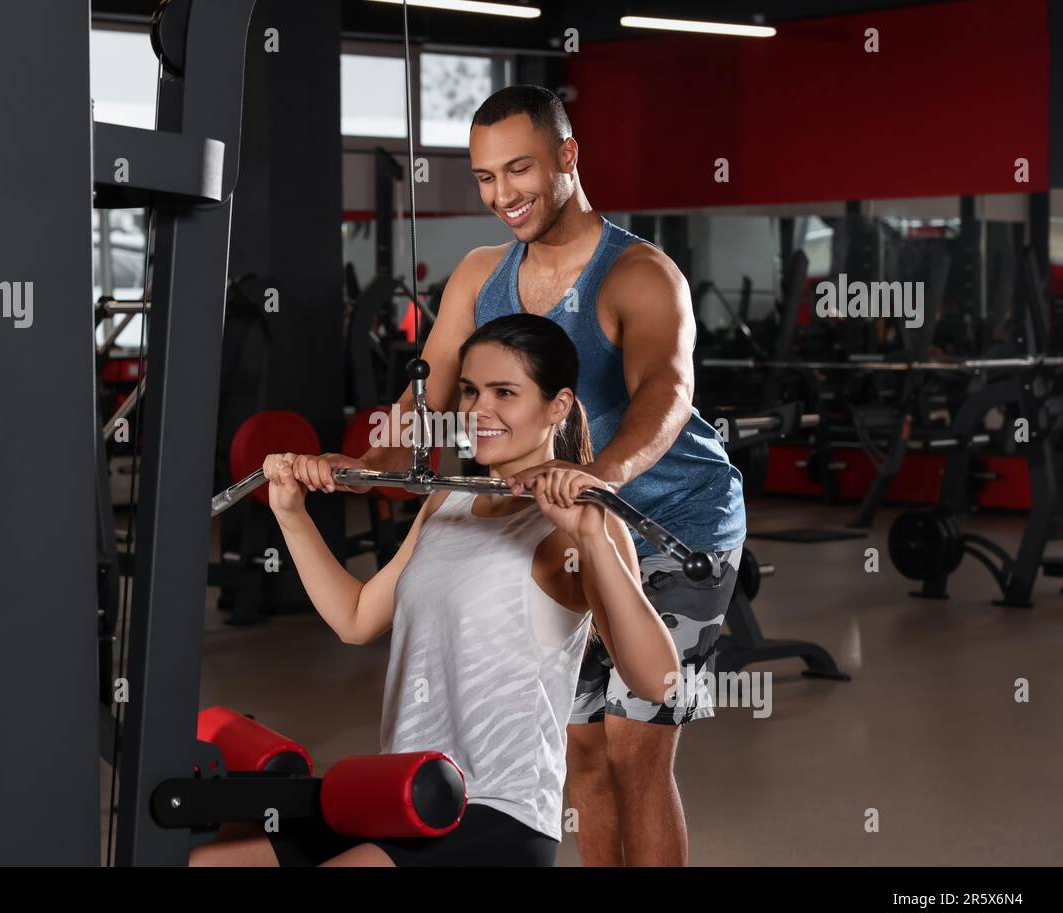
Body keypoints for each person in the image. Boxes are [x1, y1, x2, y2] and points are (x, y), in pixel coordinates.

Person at [315, 85, 746, 866]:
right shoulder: (482, 276)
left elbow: (667, 391)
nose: (502, 195)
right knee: (579, 752)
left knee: (634, 747)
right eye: (484, 178)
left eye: (519, 169)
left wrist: (595, 477)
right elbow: (426, 396)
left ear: (567, 158)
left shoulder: (640, 273)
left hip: (673, 520)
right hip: (559, 530)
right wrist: (364, 466)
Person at [189, 314, 679, 867]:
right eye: (469, 391)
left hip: (496, 813)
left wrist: (591, 536)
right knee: (209, 863)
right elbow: (355, 619)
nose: (478, 410)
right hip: (403, 792)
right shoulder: (447, 503)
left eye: (505, 392)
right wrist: (291, 513)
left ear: (558, 405)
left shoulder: (575, 526)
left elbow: (658, 682)